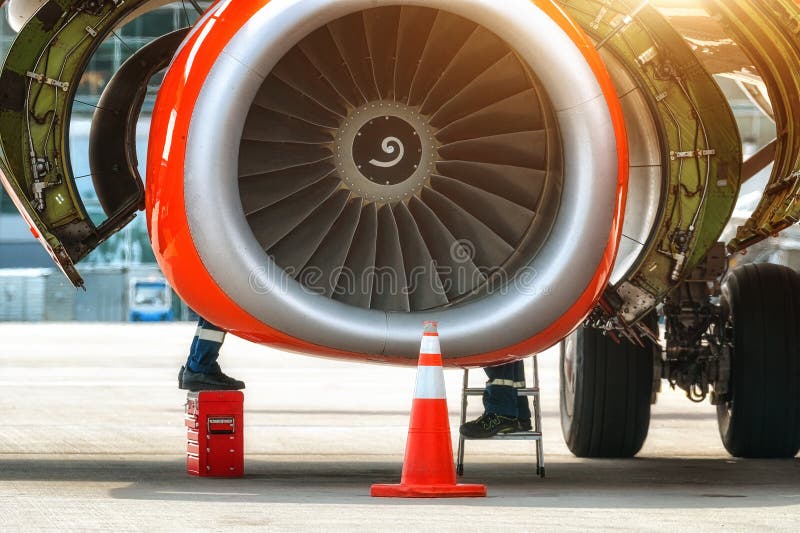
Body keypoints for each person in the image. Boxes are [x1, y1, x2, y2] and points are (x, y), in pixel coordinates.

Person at [459, 360, 531, 438]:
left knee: (498, 354)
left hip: (502, 411)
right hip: (518, 414)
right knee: (513, 353)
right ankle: (519, 417)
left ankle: (502, 414)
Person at [178, 317, 246, 391]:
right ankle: (201, 368)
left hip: (194, 368)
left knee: (208, 313)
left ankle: (193, 367)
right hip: (201, 368)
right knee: (220, 311)